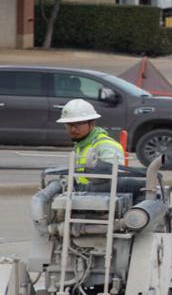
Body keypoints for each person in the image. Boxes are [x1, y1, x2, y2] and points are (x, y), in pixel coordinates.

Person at [30, 99, 125, 237]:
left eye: (78, 125)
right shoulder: (82, 145)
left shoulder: (106, 146)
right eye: (69, 125)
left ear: (91, 123)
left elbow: (112, 179)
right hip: (82, 202)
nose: (73, 129)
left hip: (101, 206)